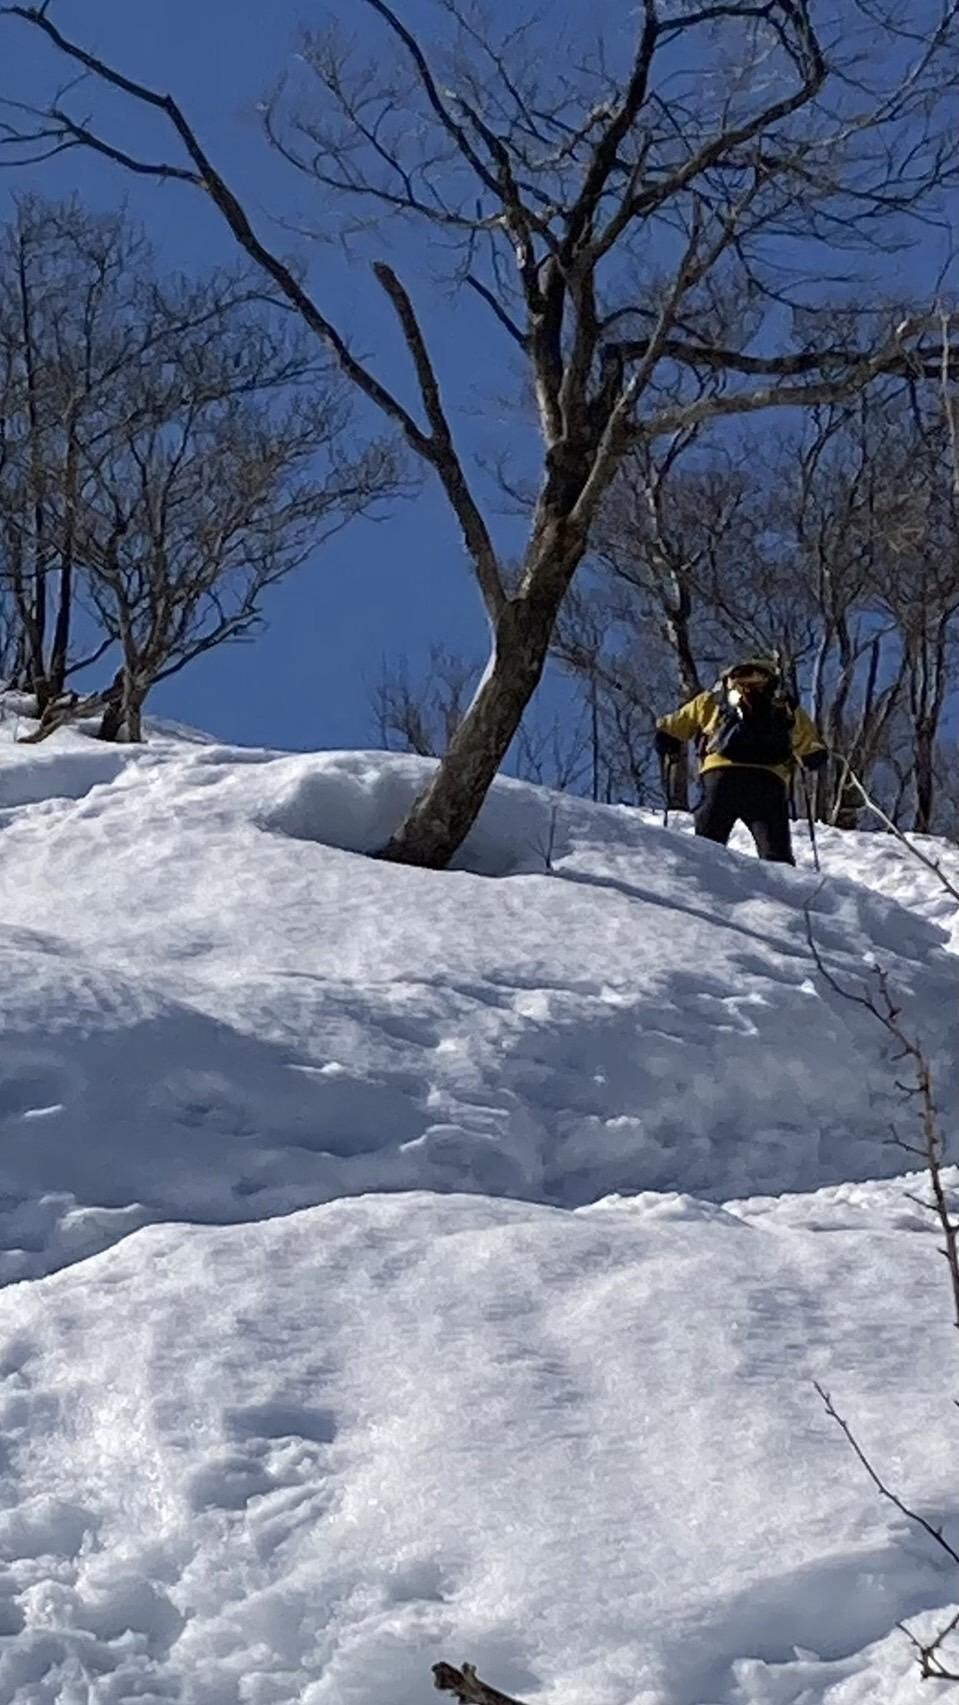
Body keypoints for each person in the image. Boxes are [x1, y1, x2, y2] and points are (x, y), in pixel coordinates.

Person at [654, 658, 828, 864]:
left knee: (707, 846)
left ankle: (701, 889)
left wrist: (667, 740)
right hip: (768, 781)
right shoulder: (783, 704)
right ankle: (783, 894)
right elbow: (810, 747)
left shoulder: (714, 699)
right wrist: (812, 757)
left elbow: (673, 727)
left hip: (720, 778)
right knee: (776, 855)